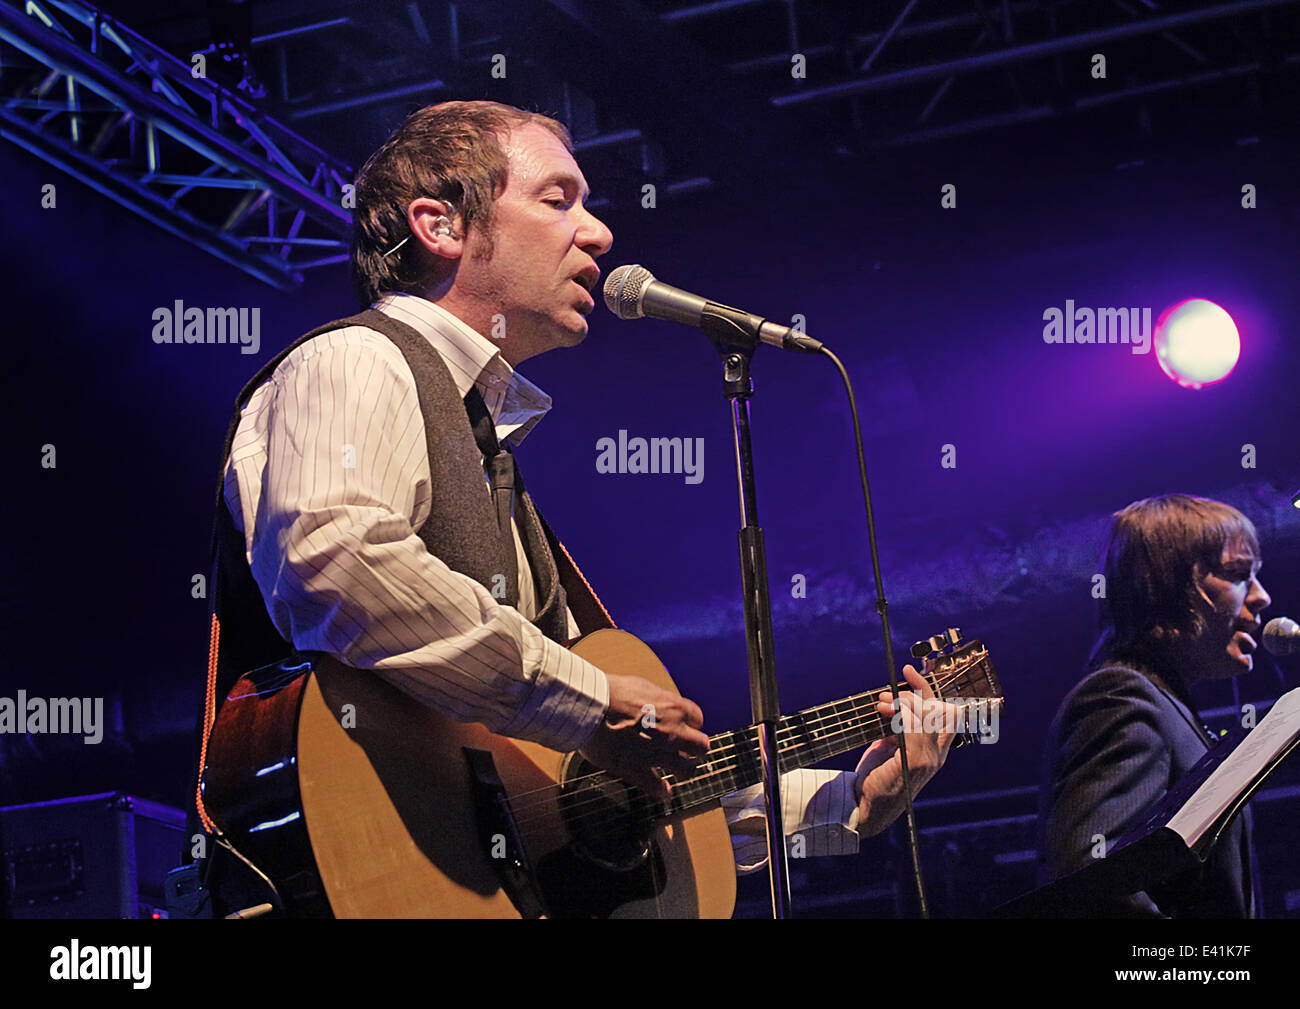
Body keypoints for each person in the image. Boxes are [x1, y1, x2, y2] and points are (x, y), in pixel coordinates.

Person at [206, 100, 955, 911]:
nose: (598, 234)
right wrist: (593, 703)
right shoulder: (356, 358)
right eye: (558, 199)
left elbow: (584, 784)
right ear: (440, 226)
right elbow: (332, 558)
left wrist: (845, 804)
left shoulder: (490, 455)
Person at [1037, 493, 1269, 917]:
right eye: (1238, 574)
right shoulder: (1121, 698)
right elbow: (1089, 884)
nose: (1262, 597)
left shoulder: (1165, 705)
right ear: (1169, 586)